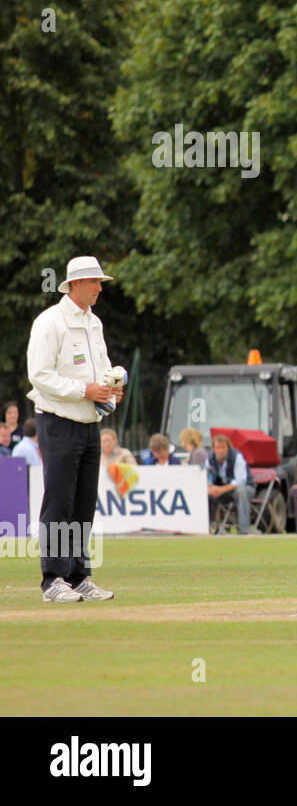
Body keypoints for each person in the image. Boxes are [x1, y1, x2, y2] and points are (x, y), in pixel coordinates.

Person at [25, 255, 123, 602]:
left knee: (83, 503)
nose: (100, 288)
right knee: (59, 501)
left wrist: (109, 389)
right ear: (76, 285)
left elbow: (101, 367)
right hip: (57, 421)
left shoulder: (93, 323)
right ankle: (52, 580)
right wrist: (85, 391)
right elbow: (39, 375)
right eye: (95, 282)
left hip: (89, 423)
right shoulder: (50, 322)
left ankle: (79, 575)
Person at [207, 433, 257, 534]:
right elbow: (206, 476)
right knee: (205, 494)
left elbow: (240, 481)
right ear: (213, 449)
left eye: (223, 447)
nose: (221, 450)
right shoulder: (210, 459)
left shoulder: (237, 456)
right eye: (218, 447)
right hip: (222, 491)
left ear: (228, 448)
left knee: (241, 491)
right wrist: (210, 488)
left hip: (246, 488)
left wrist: (220, 489)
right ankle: (208, 529)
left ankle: (244, 531)